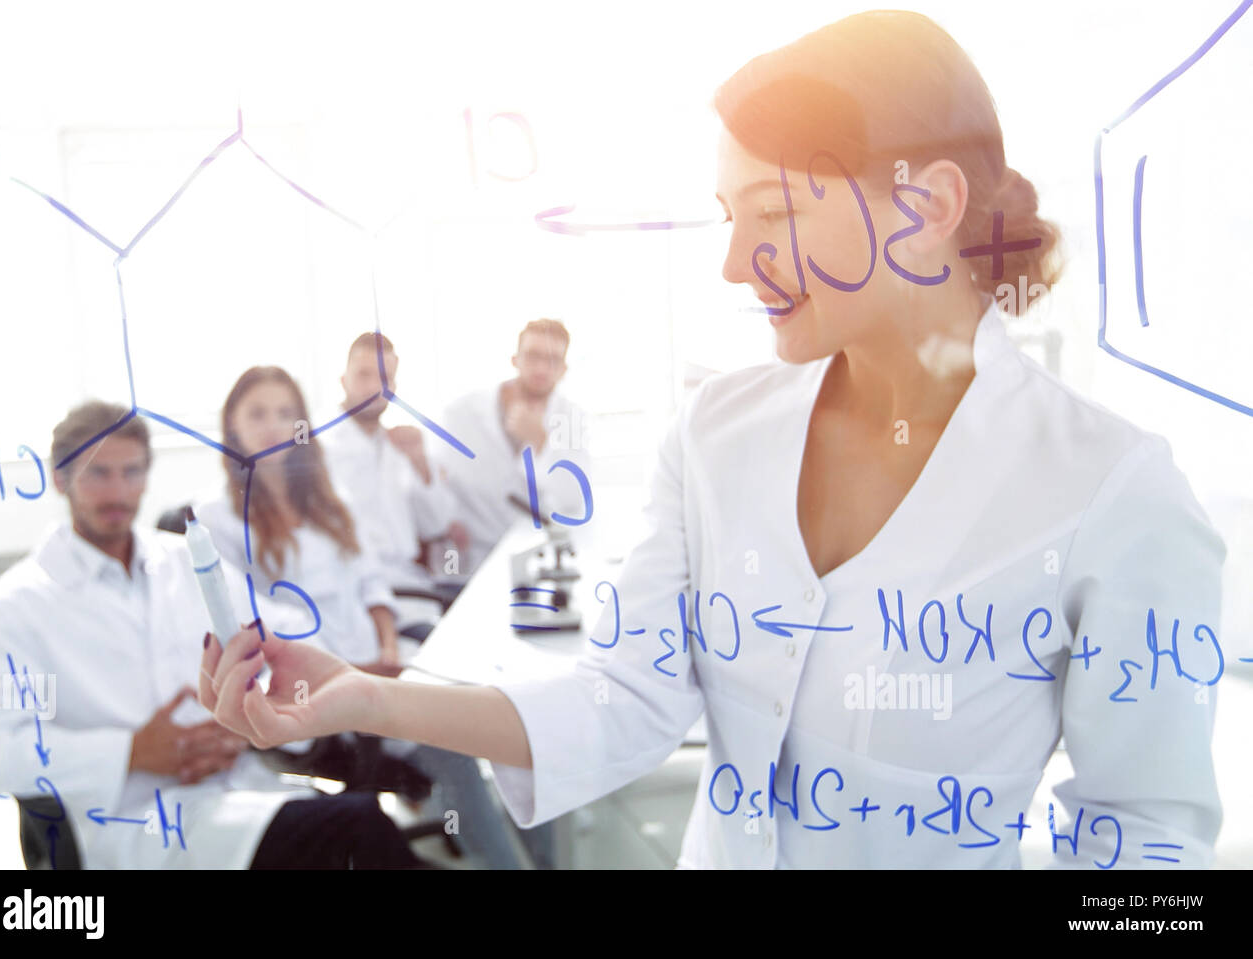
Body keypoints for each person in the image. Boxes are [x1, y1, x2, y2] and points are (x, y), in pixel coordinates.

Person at [200, 11, 1224, 868]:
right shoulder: (714, 435)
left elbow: (1148, 840)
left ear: (925, 207)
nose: (736, 263)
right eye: (729, 216)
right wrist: (367, 695)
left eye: (773, 211)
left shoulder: (1112, 491)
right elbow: (623, 698)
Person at [0, 401, 423, 869]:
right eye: (99, 474)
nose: (118, 492)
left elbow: (278, 627)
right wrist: (129, 753)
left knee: (359, 835)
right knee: (357, 832)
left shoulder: (183, 561)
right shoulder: (15, 608)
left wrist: (259, 712)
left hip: (238, 791)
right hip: (137, 824)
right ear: (60, 478)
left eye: (132, 472)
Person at [196, 366, 547, 868]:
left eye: (284, 412)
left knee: (511, 709)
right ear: (231, 426)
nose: (273, 425)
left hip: (382, 657)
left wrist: (385, 649)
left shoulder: (322, 498)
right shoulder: (218, 517)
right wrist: (356, 666)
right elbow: (254, 621)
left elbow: (370, 582)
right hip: (313, 684)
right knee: (459, 747)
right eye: (257, 414)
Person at [322, 332, 466, 623]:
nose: (375, 387)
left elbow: (436, 525)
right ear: (343, 379)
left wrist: (420, 462)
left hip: (413, 582)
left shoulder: (400, 446)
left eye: (385, 378)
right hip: (365, 594)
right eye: (364, 375)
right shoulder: (320, 448)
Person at [432, 319, 593, 574]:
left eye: (552, 360)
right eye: (533, 356)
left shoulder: (570, 417)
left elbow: (572, 498)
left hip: (534, 553)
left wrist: (541, 441)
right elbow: (434, 478)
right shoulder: (461, 412)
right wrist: (447, 519)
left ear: (563, 369)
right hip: (472, 556)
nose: (541, 368)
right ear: (515, 359)